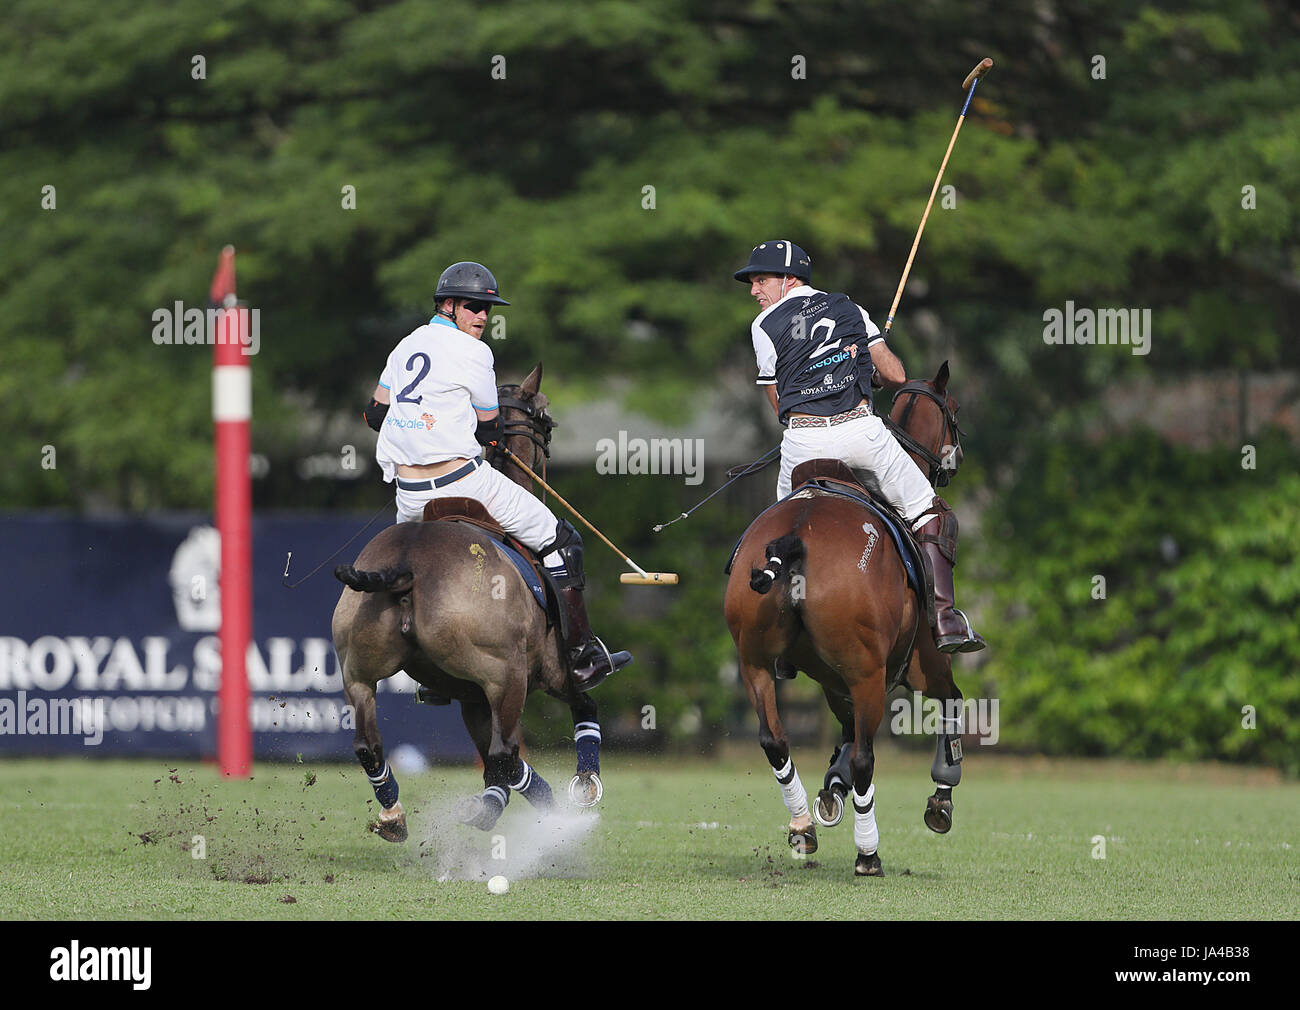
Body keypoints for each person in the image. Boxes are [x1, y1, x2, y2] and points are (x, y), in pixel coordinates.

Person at [361, 261, 632, 690]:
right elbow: (489, 427)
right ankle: (581, 656)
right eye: (473, 307)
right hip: (464, 482)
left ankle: (430, 675)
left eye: (488, 309)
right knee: (562, 540)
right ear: (448, 305)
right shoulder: (476, 353)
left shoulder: (406, 344)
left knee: (404, 572)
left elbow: (374, 413)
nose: (483, 317)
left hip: (408, 497)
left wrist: (419, 423)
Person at [735, 240, 984, 654]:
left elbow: (779, 402)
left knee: (780, 531)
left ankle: (784, 635)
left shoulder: (763, 327)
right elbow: (897, 375)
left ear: (788, 279)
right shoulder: (849, 307)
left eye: (761, 280)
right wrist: (866, 370)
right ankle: (944, 618)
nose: (754, 290)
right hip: (860, 435)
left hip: (801, 443)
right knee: (928, 509)